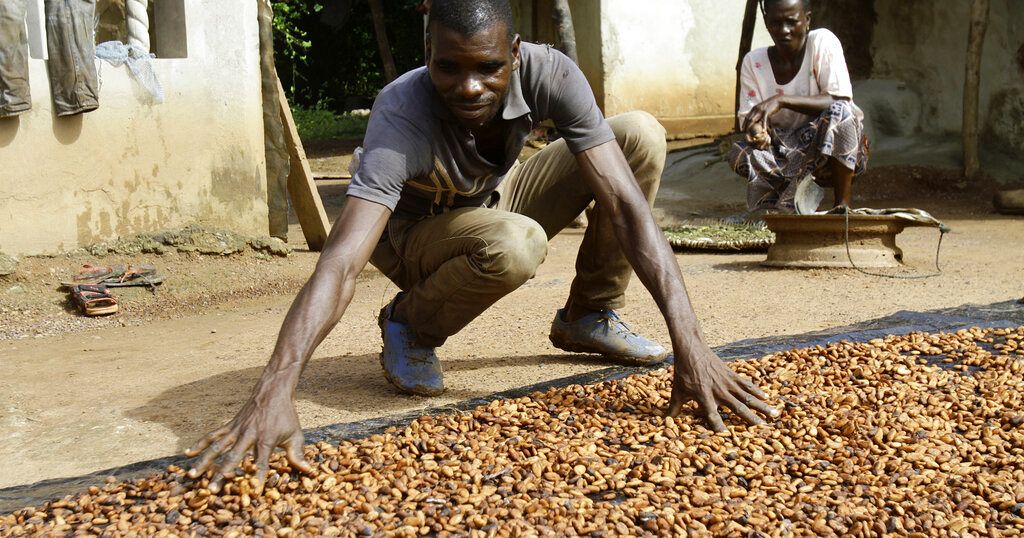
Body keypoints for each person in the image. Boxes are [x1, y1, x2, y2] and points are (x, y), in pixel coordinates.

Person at [185, 0, 777, 491]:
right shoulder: (401, 112)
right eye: (449, 68)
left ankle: (588, 314)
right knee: (516, 243)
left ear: (515, 54)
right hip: (417, 233)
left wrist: (692, 346)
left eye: (489, 68)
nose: (468, 87)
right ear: (428, 56)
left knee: (638, 135)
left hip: (494, 197)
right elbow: (340, 263)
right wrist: (275, 387)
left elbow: (624, 206)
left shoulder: (550, 73)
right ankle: (411, 323)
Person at [728, 0, 869, 213]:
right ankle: (783, 206)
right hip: (788, 152)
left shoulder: (822, 42)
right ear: (766, 22)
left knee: (841, 112)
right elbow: (751, 118)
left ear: (807, 19)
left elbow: (837, 98)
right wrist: (758, 133)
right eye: (776, 23)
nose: (784, 30)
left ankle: (842, 206)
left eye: (791, 22)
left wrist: (781, 100)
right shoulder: (753, 62)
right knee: (740, 153)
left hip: (831, 150)